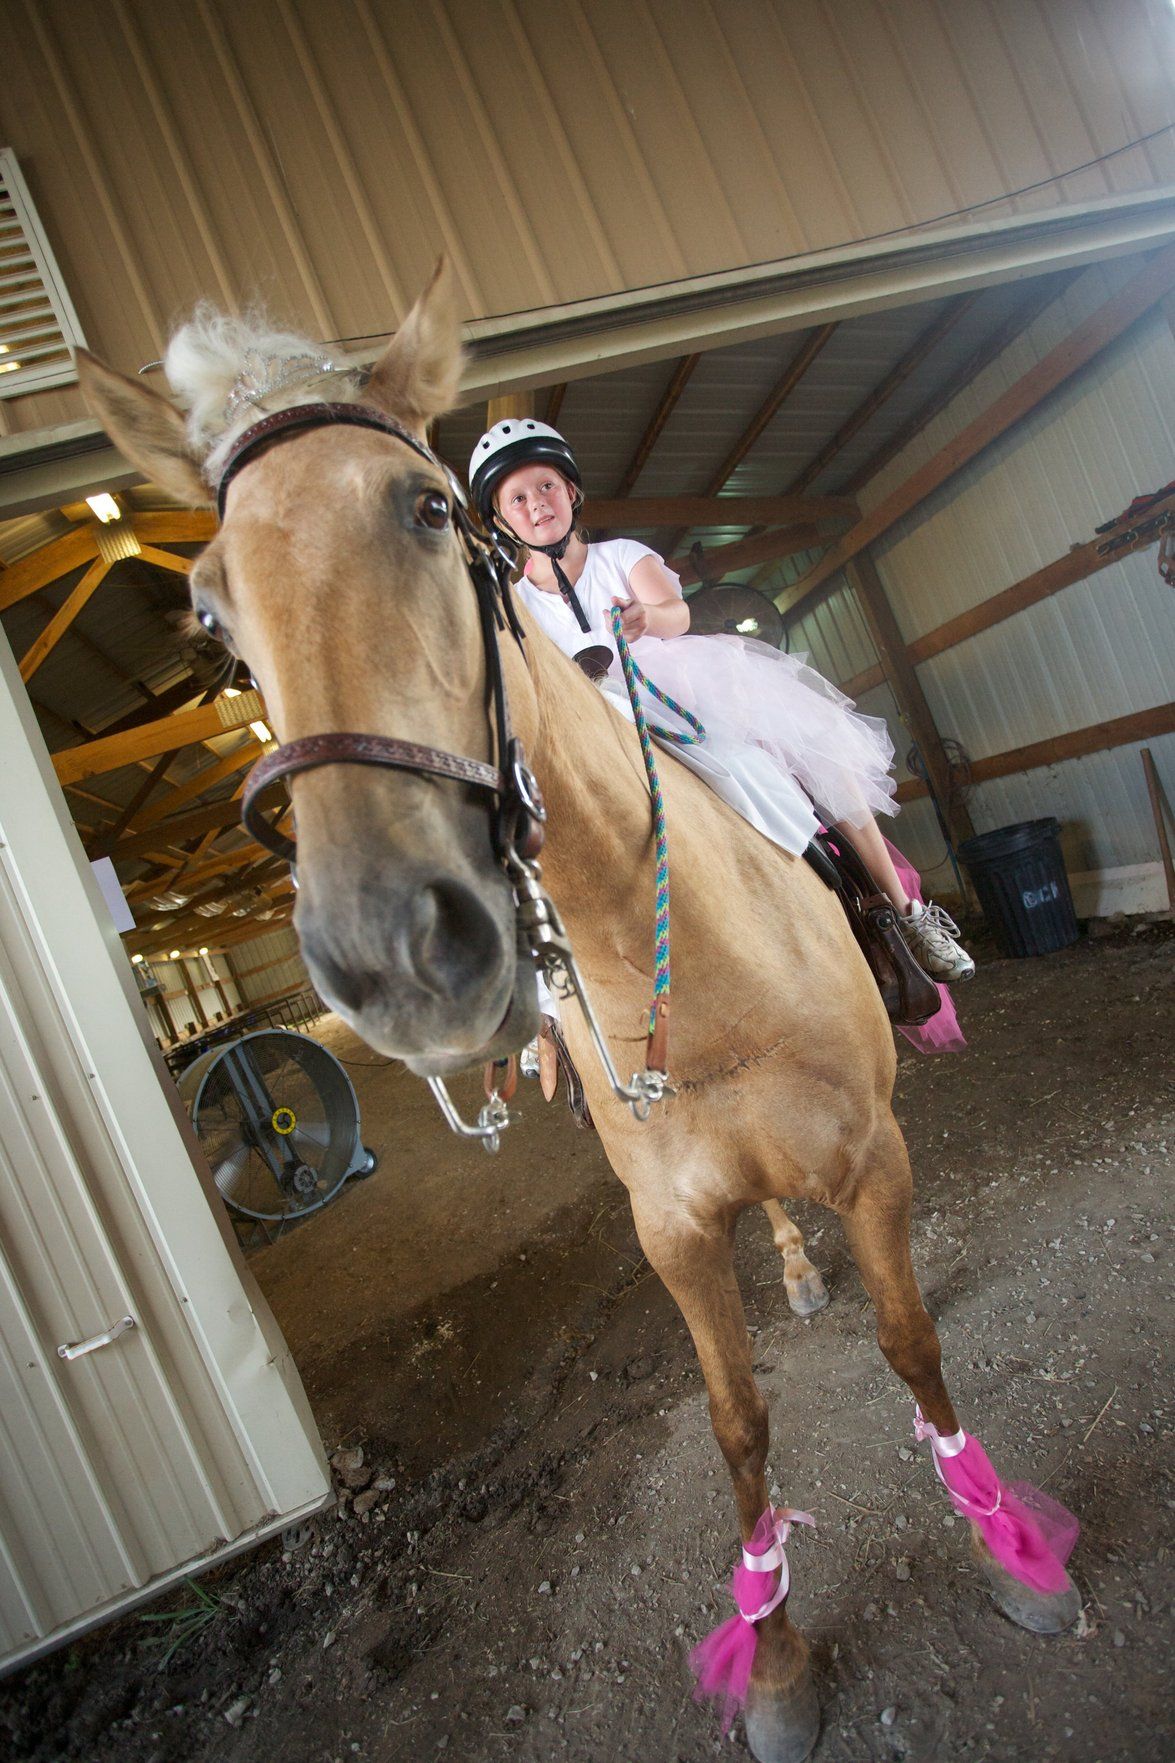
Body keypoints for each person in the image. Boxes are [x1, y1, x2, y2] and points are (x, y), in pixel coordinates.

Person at [468, 418, 975, 988]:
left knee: (790, 765)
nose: (537, 504)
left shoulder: (622, 556)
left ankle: (906, 916)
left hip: (670, 692)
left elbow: (678, 615)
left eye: (547, 487)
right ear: (500, 519)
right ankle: (546, 1007)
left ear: (572, 492)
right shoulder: (513, 606)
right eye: (518, 497)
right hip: (595, 725)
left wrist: (645, 620)